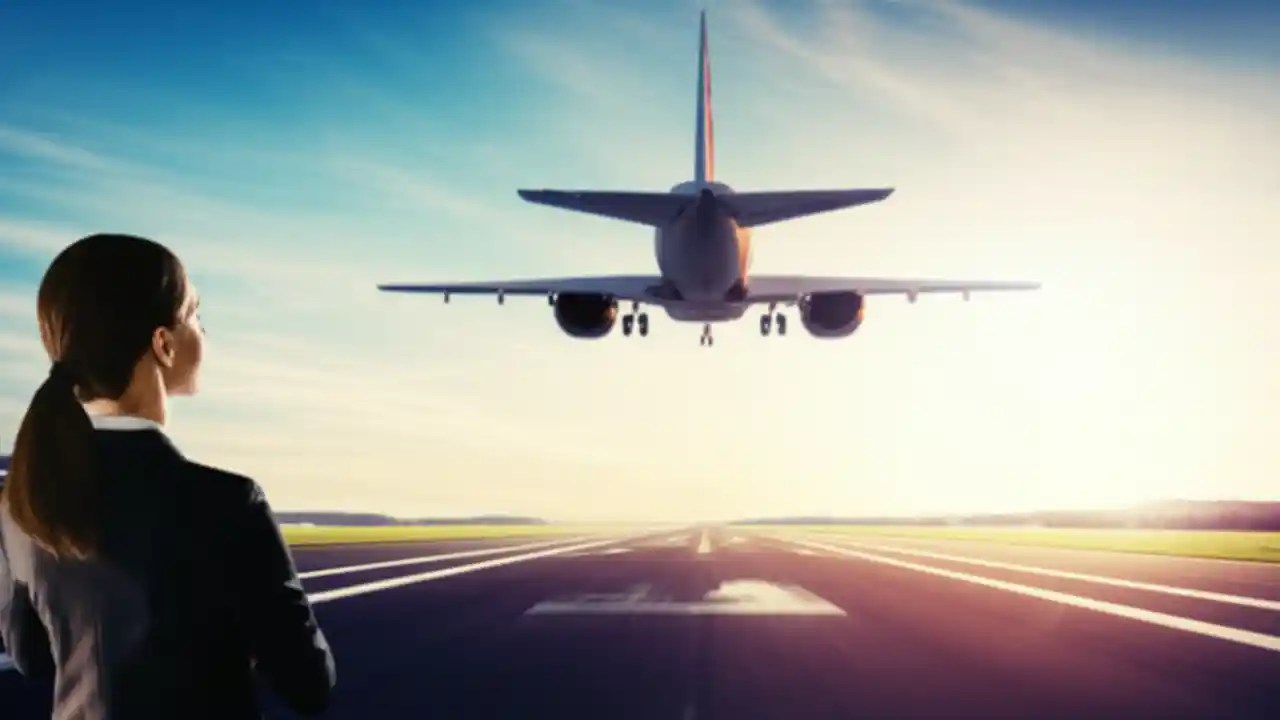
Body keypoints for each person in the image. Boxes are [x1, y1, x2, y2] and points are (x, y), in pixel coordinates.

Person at [0, 234, 335, 718]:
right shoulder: (228, 502)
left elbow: (31, 657)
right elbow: (309, 685)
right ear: (163, 344)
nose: (204, 330)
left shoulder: (19, 500)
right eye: (196, 315)